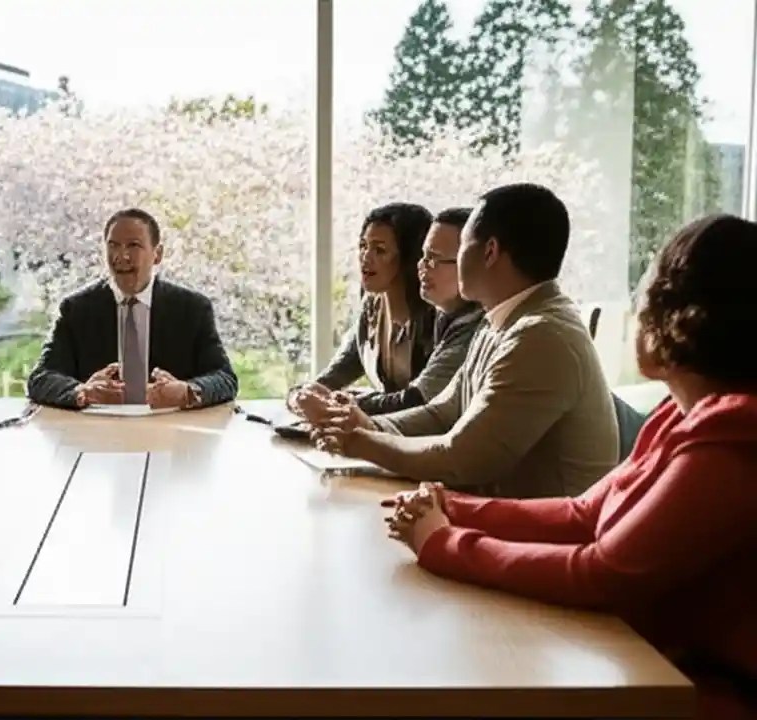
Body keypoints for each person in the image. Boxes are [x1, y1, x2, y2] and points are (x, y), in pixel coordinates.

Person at [385, 214, 757, 720]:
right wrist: (454, 507)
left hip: (697, 689)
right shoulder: (683, 413)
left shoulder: (731, 438)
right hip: (649, 660)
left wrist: (442, 543)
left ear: (686, 312)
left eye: (651, 289)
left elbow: (601, 572)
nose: (640, 309)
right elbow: (584, 513)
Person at [311, 183, 617, 498]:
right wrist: (368, 427)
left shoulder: (541, 336)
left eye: (462, 248)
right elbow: (443, 412)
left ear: (490, 252)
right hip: (505, 516)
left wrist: (362, 442)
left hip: (549, 535)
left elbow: (463, 459)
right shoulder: (497, 321)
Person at [27, 208, 238, 409]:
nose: (122, 256)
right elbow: (41, 378)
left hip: (170, 432)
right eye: (113, 245)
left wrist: (186, 392)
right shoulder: (76, 309)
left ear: (158, 254)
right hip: (98, 432)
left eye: (133, 245)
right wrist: (83, 391)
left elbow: (224, 378)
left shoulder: (192, 309)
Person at [291, 205, 483, 417]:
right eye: (363, 246)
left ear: (407, 257)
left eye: (380, 250)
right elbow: (339, 370)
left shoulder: (442, 312)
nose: (366, 257)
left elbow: (419, 399)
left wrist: (344, 404)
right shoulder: (372, 307)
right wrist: (302, 395)